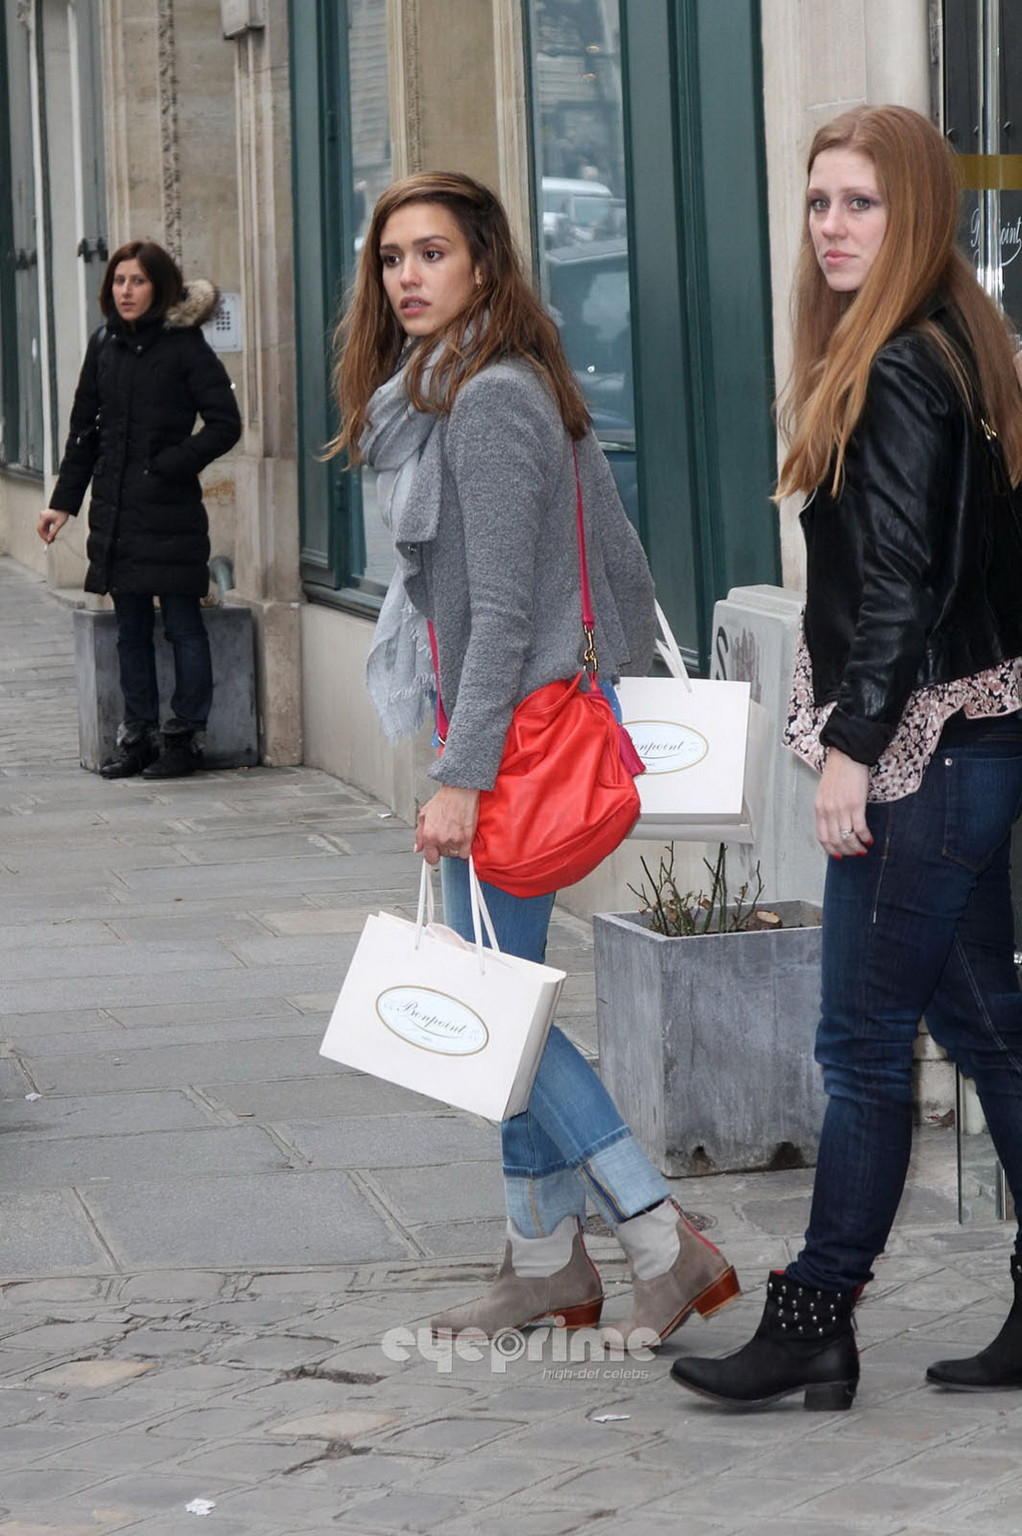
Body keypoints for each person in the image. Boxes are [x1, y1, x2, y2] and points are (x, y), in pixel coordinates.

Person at [329, 170, 739, 1344]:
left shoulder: (492, 400)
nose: (407, 276)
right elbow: (605, 558)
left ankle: (660, 1240)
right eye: (392, 257)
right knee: (497, 1003)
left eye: (432, 255)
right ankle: (541, 1256)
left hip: (510, 745)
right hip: (507, 731)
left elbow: (502, 612)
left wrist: (459, 776)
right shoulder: (458, 393)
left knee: (498, 1014)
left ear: (483, 267)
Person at [671, 104, 1022, 1411]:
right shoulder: (954, 346)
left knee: (861, 1040)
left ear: (916, 211)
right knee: (988, 1031)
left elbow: (899, 590)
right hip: (977, 732)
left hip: (925, 745)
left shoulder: (894, 369)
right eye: (818, 201)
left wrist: (851, 752)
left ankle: (813, 1318)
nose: (830, 226)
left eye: (859, 203)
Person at [38, 240, 241, 779]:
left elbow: (225, 423)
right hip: (118, 514)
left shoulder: (185, 346)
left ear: (160, 287)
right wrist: (63, 505)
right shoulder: (103, 344)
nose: (125, 291)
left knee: (181, 625)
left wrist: (171, 464)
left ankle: (185, 740)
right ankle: (139, 737)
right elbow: (84, 433)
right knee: (129, 629)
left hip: (170, 512)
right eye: (119, 281)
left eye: (137, 281)